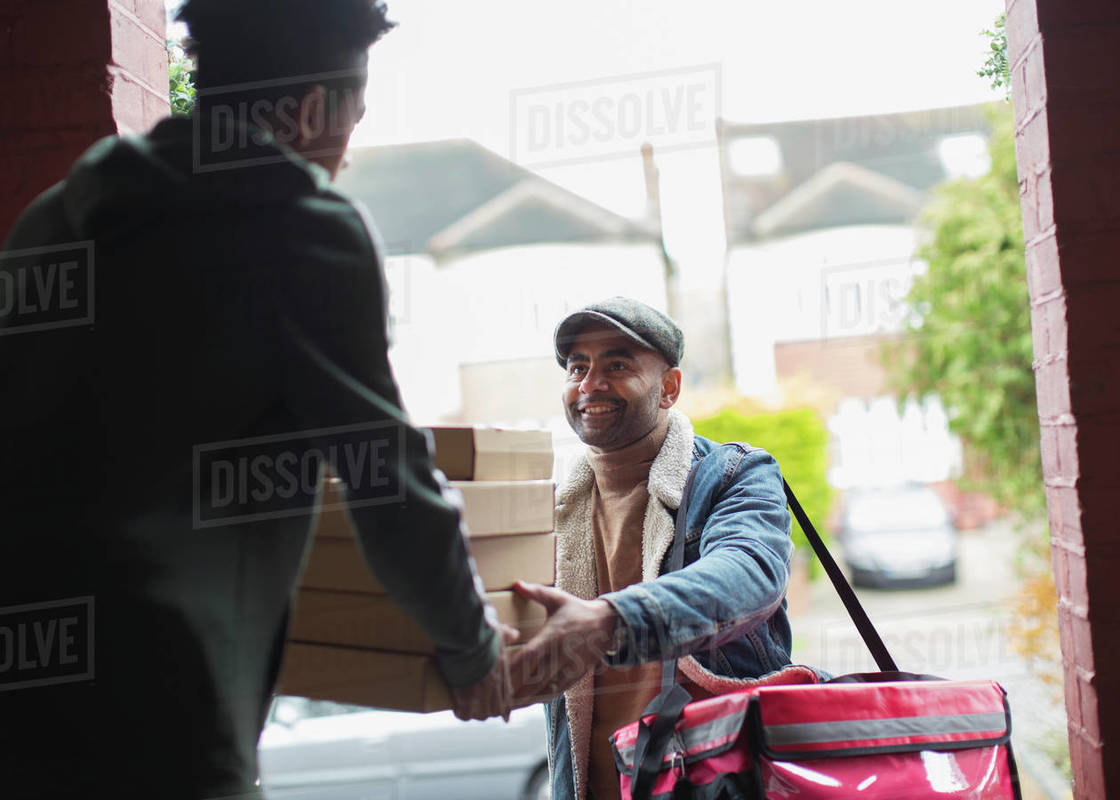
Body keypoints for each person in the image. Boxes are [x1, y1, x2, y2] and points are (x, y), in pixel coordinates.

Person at [0, 2, 510, 797]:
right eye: (354, 119)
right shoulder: (299, 225)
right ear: (311, 111)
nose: (343, 156)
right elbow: (387, 476)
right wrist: (474, 652)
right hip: (161, 709)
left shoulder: (52, 218)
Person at [509, 297, 797, 800]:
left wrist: (609, 621)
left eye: (617, 365)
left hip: (718, 785)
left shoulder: (732, 476)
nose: (591, 383)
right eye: (578, 366)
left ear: (669, 388)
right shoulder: (550, 513)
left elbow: (750, 572)